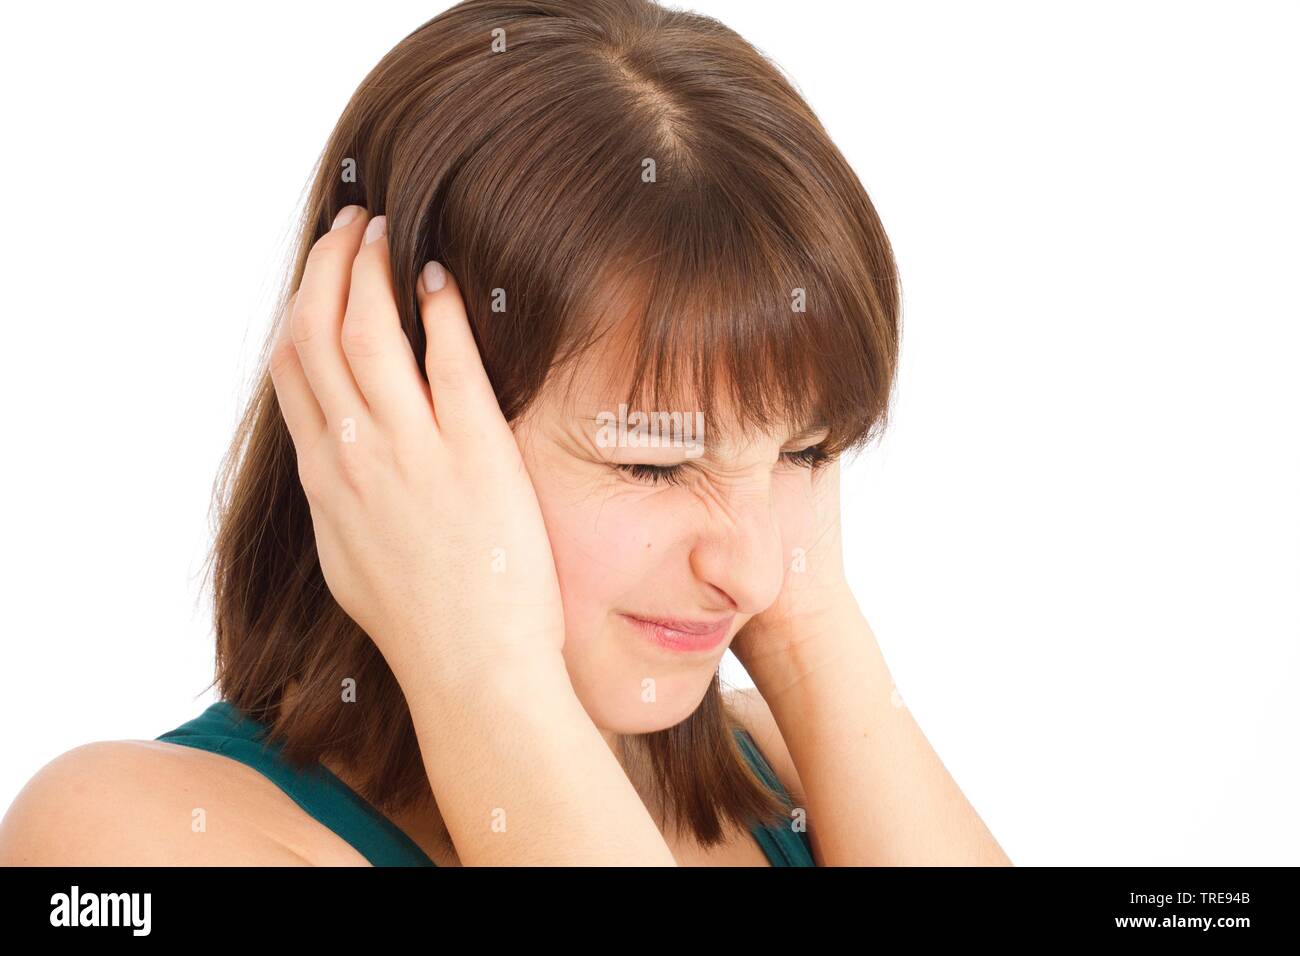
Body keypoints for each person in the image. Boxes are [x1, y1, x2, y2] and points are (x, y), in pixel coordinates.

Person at [0, 0, 1010, 866]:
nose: (751, 572)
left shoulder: (787, 773)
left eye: (805, 450)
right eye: (650, 461)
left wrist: (811, 634)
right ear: (387, 409)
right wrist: (479, 662)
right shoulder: (126, 835)